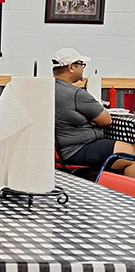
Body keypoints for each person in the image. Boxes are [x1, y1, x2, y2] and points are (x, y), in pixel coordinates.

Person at [53, 47, 135, 176]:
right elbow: (106, 120)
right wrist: (92, 118)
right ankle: (126, 190)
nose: (83, 69)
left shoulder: (48, 88)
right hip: (77, 149)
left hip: (58, 151)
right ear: (71, 67)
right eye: (81, 64)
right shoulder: (76, 94)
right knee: (130, 155)